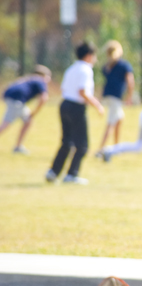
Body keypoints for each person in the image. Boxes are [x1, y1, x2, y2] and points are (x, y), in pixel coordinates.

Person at [46, 43, 105, 185]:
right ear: (89, 56)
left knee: (67, 141)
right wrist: (97, 104)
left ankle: (53, 172)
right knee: (82, 144)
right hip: (76, 107)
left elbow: (64, 88)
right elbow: (82, 92)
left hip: (64, 104)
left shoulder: (71, 68)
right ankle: (72, 174)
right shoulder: (86, 70)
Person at [2, 66, 52, 154]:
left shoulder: (28, 78)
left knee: (28, 121)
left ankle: (18, 146)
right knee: (6, 123)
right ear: (44, 75)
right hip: (17, 100)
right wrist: (35, 112)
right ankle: (18, 147)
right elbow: (44, 98)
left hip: (11, 98)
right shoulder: (40, 80)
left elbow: (8, 88)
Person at [96, 41, 135, 154]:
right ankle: (101, 149)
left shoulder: (107, 66)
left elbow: (105, 82)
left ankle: (116, 147)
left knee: (119, 119)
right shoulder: (124, 65)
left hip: (108, 95)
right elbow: (130, 82)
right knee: (111, 122)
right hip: (115, 97)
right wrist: (129, 96)